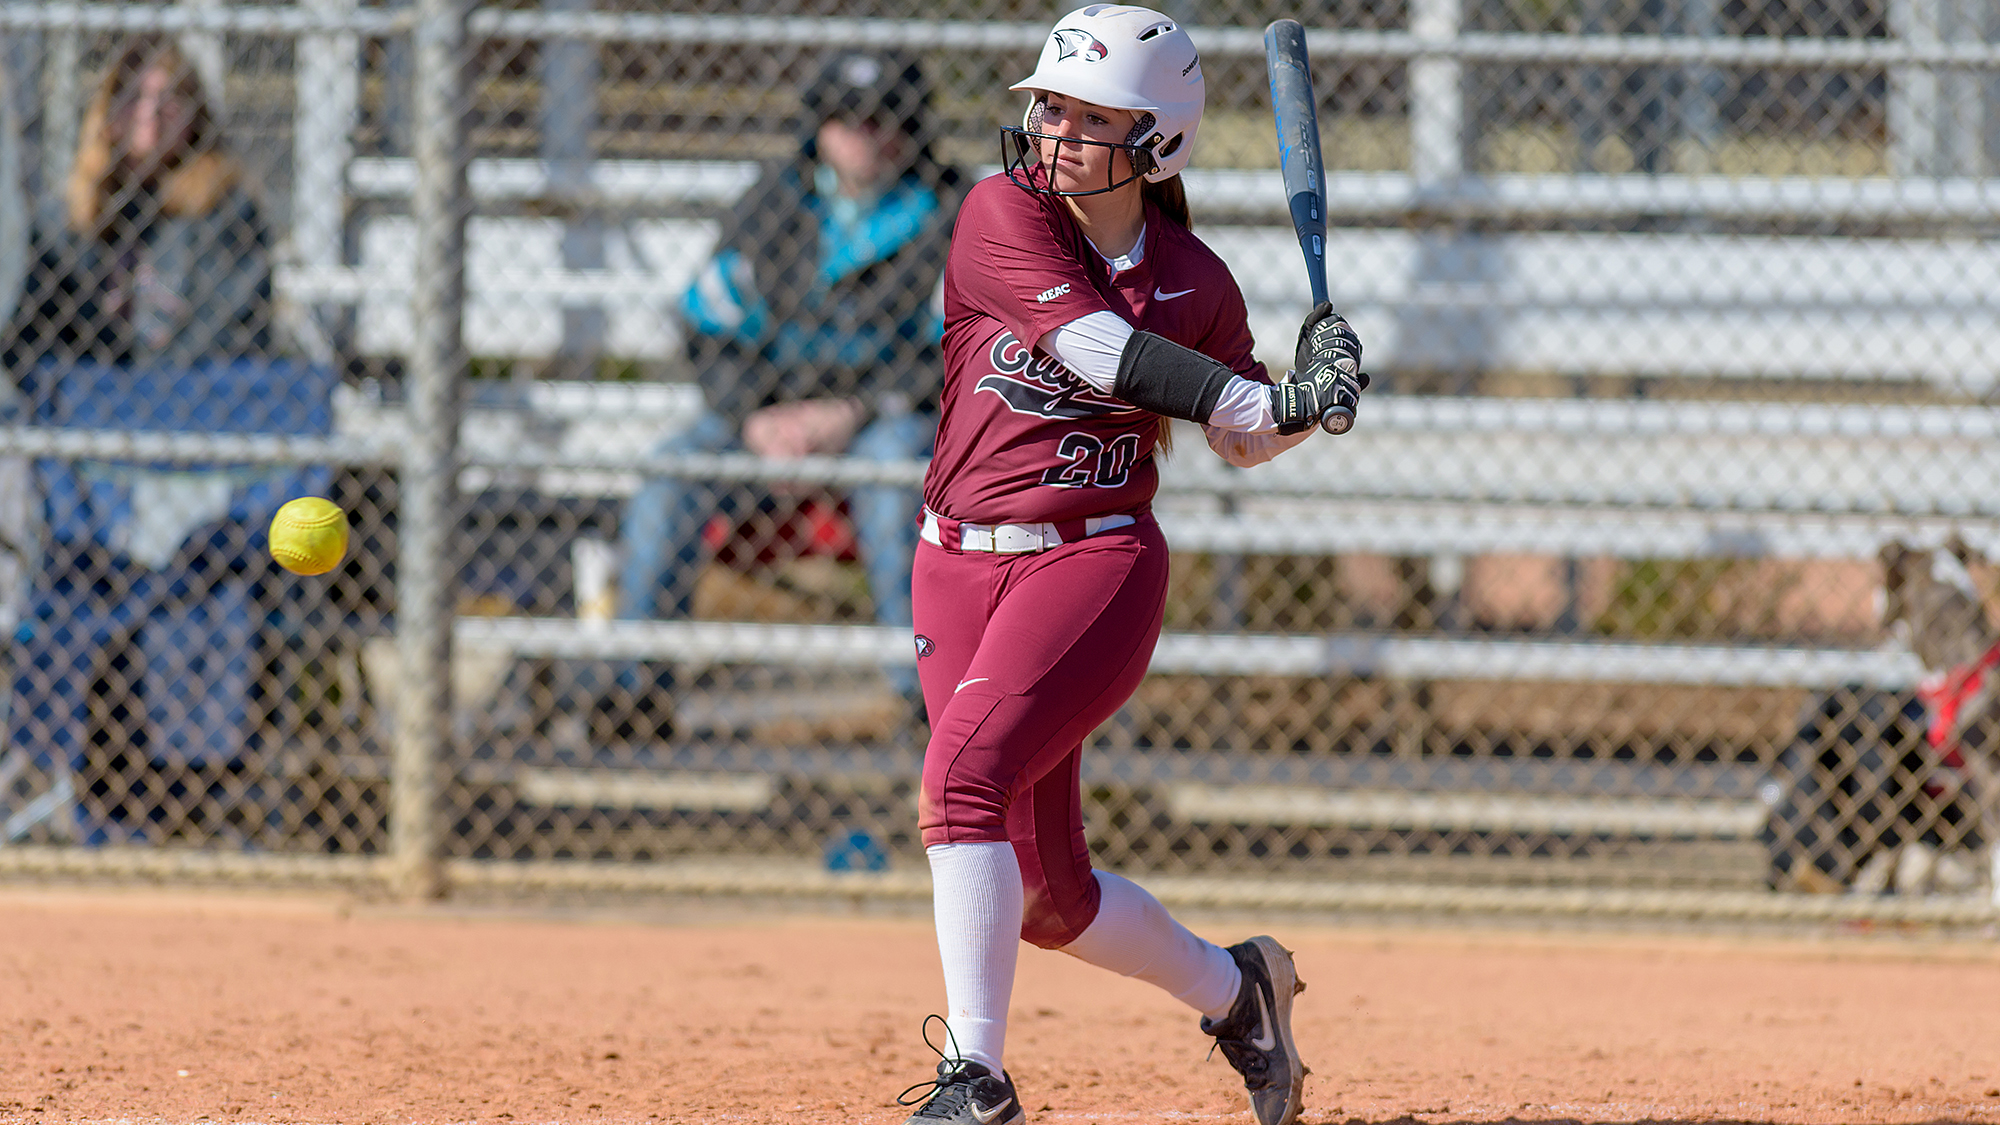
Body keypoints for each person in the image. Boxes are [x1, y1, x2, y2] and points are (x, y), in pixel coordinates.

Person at [891, 7, 1364, 1125]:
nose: (1050, 130)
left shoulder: (1195, 278)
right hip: (952, 565)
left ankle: (978, 1081)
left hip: (1090, 567)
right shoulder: (998, 213)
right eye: (1046, 106)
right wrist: (1266, 397)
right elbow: (1101, 350)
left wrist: (1315, 395)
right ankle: (1236, 991)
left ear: (1157, 140)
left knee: (957, 786)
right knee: (1047, 900)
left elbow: (1240, 436)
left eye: (1085, 115)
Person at [2, 38, 310, 845]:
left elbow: (222, 345)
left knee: (209, 598)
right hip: (95, 490)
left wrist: (125, 396)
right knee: (53, 579)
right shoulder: (73, 222)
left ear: (195, 115)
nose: (150, 114)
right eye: (132, 98)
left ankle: (185, 796)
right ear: (104, 114)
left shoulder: (225, 213)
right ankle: (57, 782)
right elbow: (35, 338)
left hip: (194, 477)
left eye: (169, 98)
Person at [611, 49, 964, 737]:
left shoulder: (953, 209)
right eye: (846, 118)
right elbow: (709, 323)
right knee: (668, 475)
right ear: (818, 126)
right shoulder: (776, 199)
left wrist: (853, 409)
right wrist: (753, 416)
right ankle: (632, 692)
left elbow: (961, 348)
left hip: (887, 416)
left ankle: (929, 705)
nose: (865, 134)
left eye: (886, 118)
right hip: (764, 416)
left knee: (899, 478)